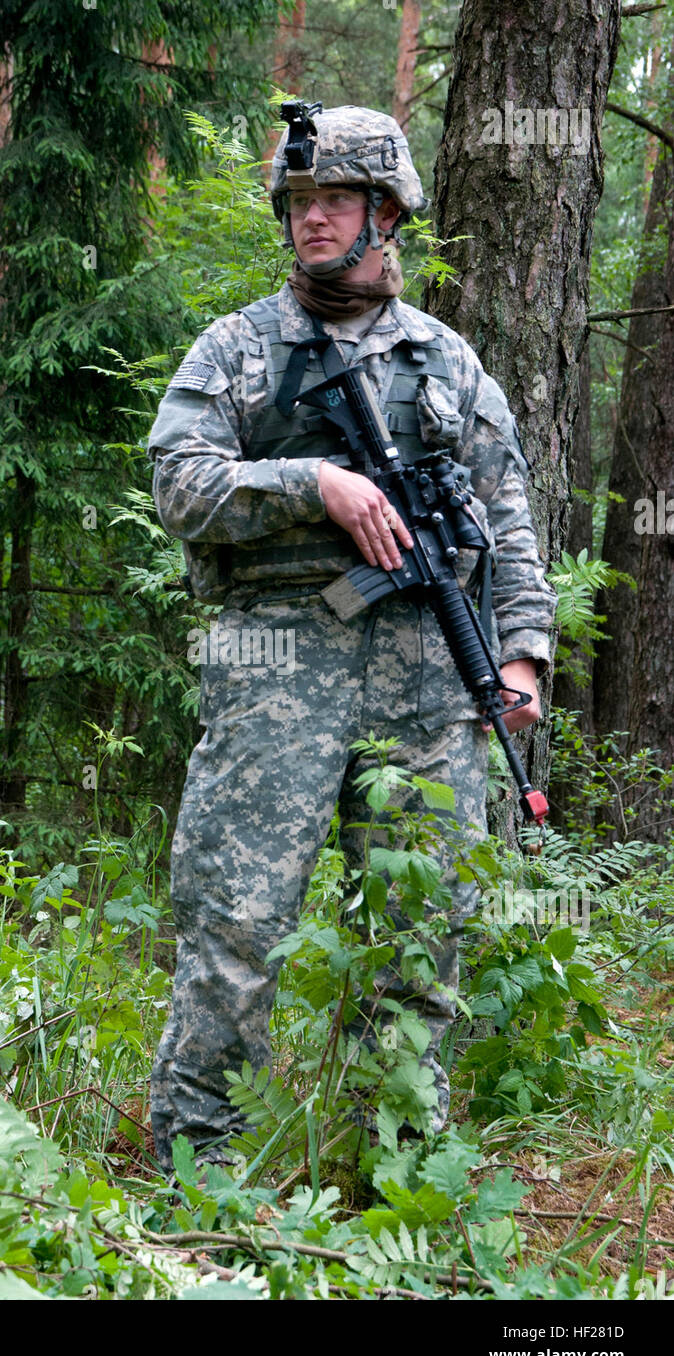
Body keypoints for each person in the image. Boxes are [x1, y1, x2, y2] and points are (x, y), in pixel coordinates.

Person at [147, 104, 556, 1173]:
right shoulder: (236, 348)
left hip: (426, 670)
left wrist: (517, 659)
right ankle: (202, 1164)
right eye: (296, 202)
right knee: (237, 916)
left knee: (424, 930)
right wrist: (309, 484)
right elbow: (179, 486)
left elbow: (505, 521)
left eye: (333, 200)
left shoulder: (446, 362)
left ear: (385, 214)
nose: (310, 219)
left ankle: (401, 1165)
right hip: (272, 666)